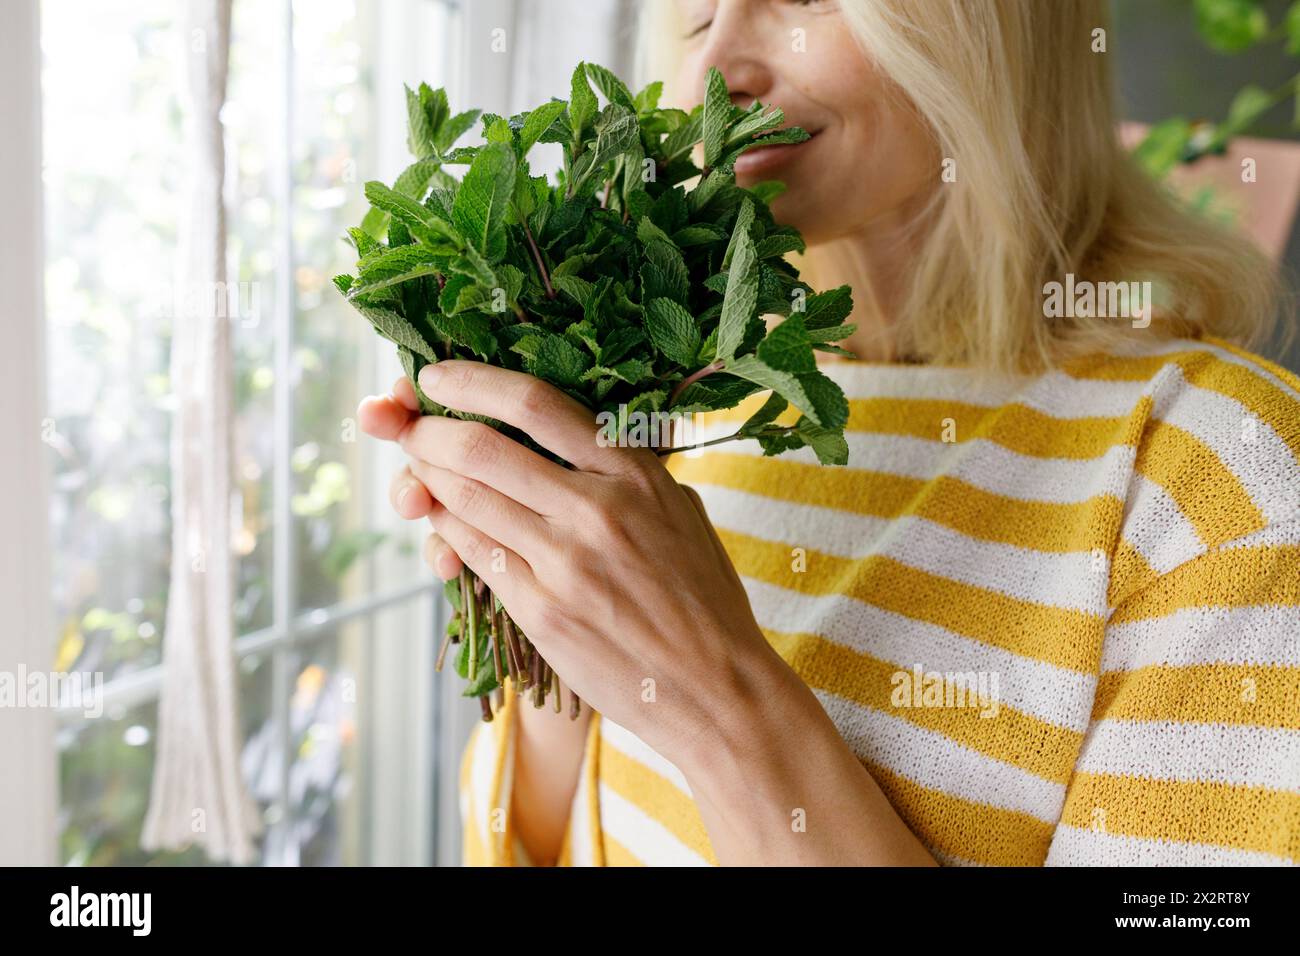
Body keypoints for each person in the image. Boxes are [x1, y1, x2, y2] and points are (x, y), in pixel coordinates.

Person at [357, 0, 1300, 866]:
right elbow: (549, 839)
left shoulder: (1219, 483)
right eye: (693, 16)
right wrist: (542, 577)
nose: (718, 65)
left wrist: (719, 701)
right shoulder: (702, 406)